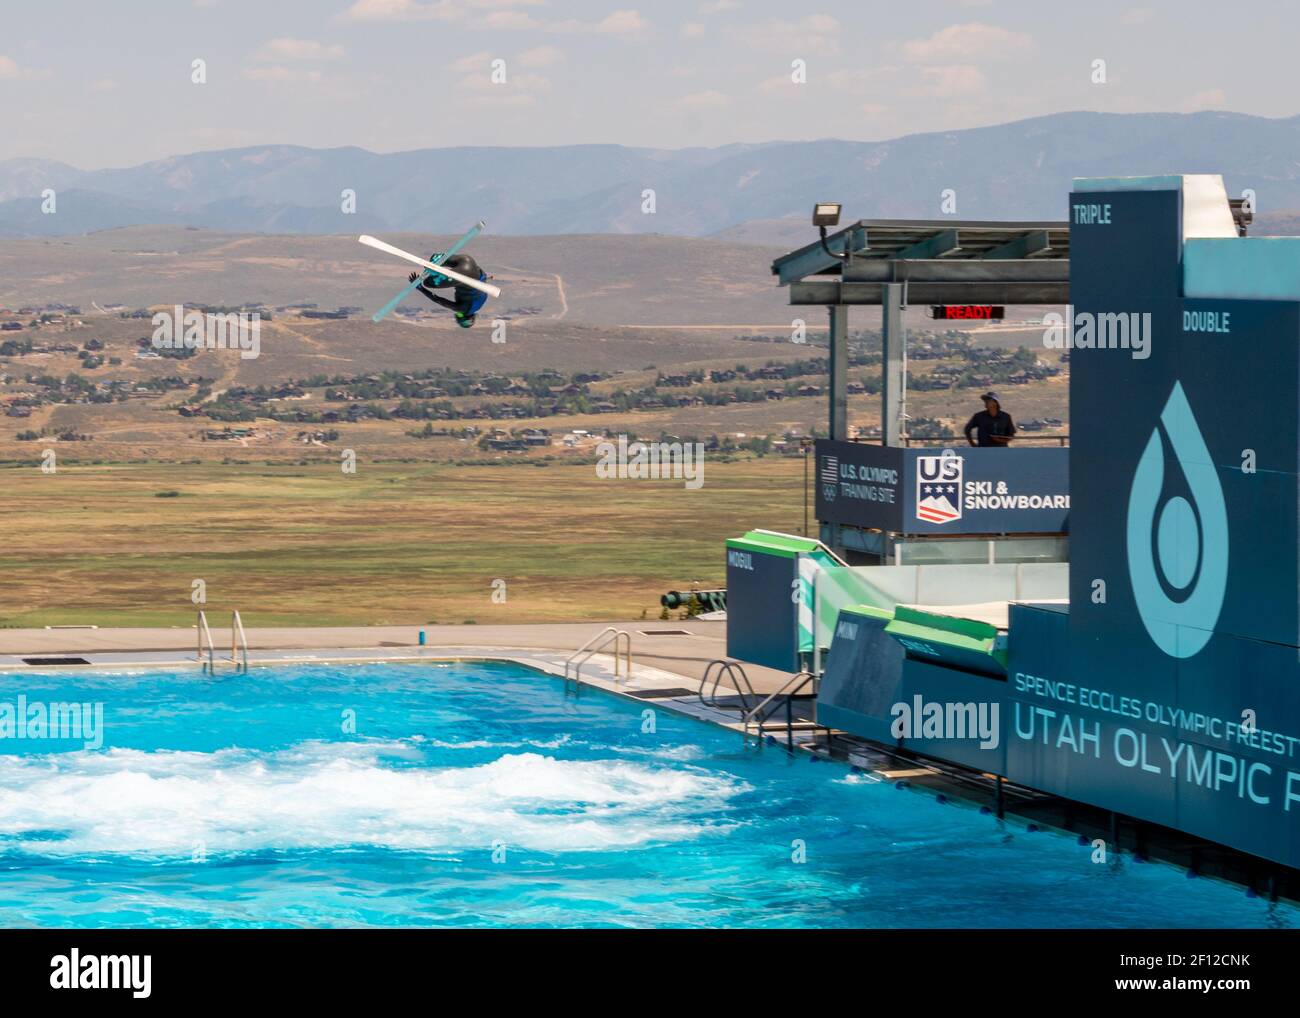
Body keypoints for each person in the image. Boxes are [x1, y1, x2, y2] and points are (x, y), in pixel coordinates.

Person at [409, 252, 491, 328]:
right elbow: (438, 300)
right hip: (464, 275)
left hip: (469, 261)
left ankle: (438, 260)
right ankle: (436, 274)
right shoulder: (464, 309)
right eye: (459, 315)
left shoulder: (482, 300)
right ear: (462, 316)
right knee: (427, 282)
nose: (458, 313)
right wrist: (420, 288)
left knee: (434, 258)